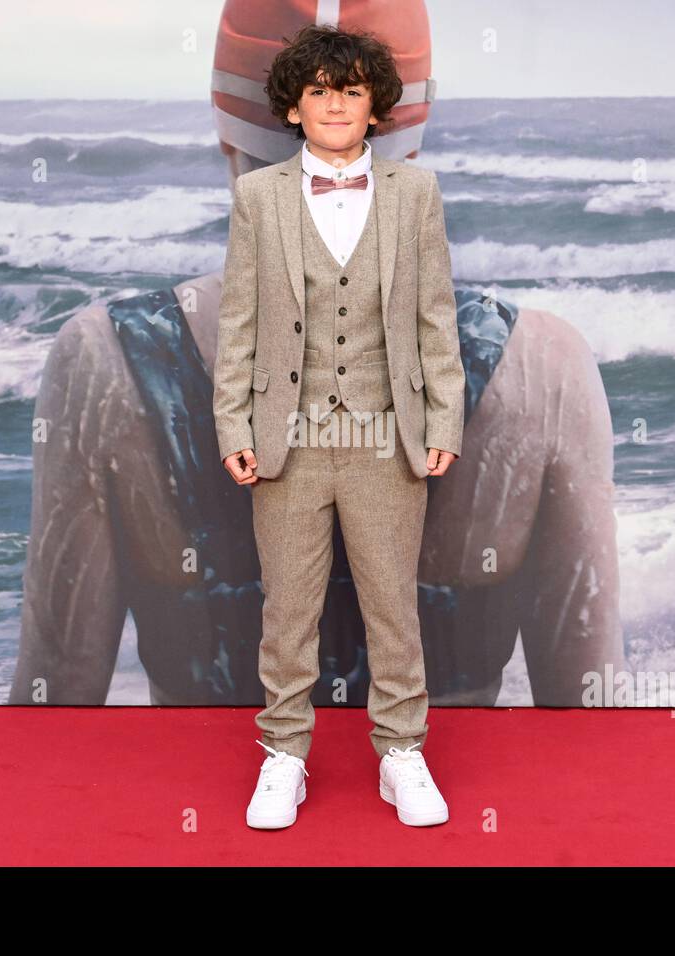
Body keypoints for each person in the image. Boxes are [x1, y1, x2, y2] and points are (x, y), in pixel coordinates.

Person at [8, 0, 624, 819]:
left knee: (345, 604)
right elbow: (591, 715)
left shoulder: (103, 360)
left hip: (364, 453)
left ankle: (369, 755)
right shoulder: (545, 364)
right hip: (318, 452)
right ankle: (320, 757)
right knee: (331, 602)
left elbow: (53, 705)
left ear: (227, 128)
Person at [215, 23, 461, 829]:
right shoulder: (257, 198)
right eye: (319, 91)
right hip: (289, 436)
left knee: (393, 603)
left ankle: (402, 754)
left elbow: (434, 320)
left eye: (352, 91)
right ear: (293, 106)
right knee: (289, 608)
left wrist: (442, 418)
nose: (335, 105)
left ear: (375, 107)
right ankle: (284, 755)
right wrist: (233, 425)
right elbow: (240, 326)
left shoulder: (416, 195)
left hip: (387, 437)